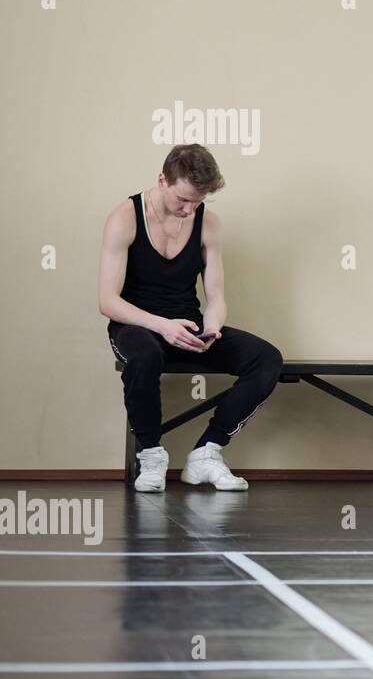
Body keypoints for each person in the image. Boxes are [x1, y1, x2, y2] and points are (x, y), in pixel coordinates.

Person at [98, 144, 283, 491]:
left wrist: (211, 326)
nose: (189, 209)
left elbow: (215, 298)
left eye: (197, 201)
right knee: (145, 355)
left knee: (267, 358)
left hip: (186, 329)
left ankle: (207, 453)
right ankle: (151, 457)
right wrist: (161, 326)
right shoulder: (124, 217)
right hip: (136, 327)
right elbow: (107, 301)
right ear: (162, 180)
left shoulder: (208, 224)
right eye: (183, 199)